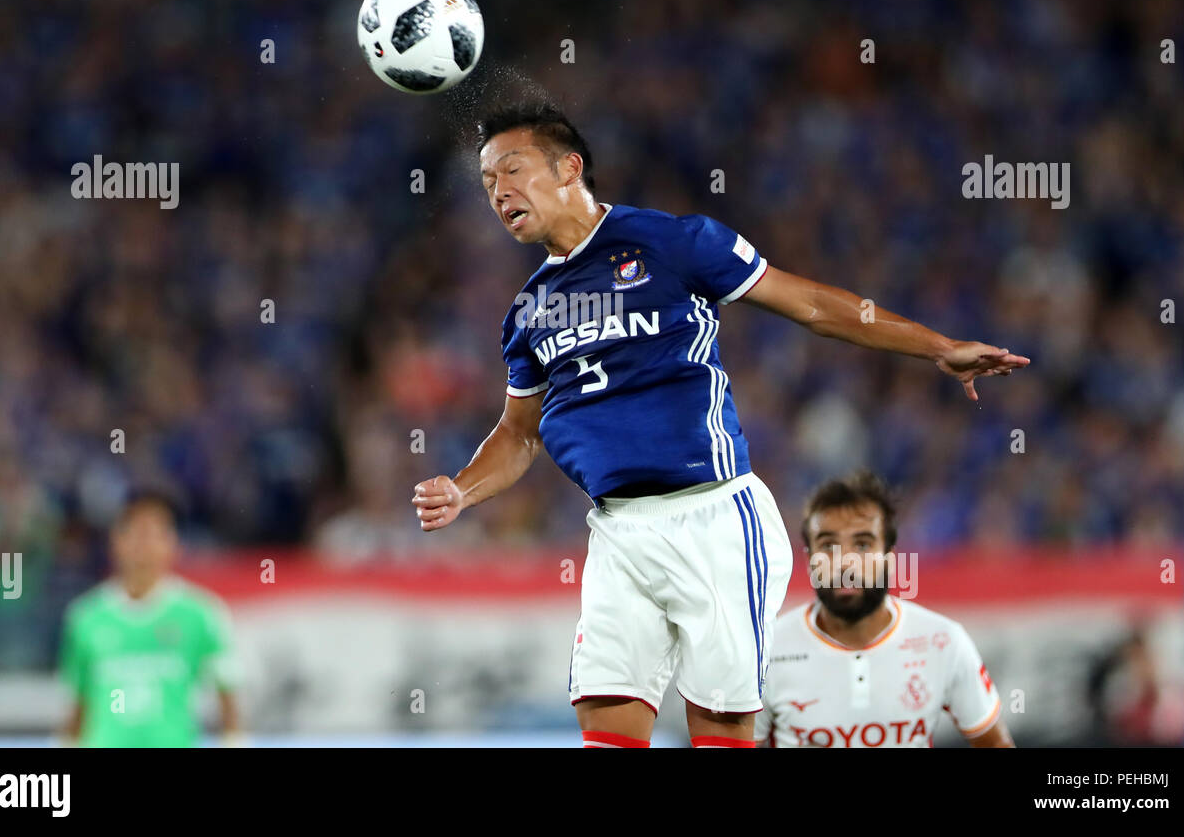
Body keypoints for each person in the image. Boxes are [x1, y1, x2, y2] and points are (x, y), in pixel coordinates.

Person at [412, 103, 1028, 748]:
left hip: (714, 519)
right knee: (606, 726)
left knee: (721, 733)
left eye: (512, 170)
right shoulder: (528, 311)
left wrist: (936, 347)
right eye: (487, 183)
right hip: (618, 531)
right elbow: (518, 433)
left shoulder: (674, 243)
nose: (499, 192)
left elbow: (812, 304)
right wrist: (462, 489)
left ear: (569, 168)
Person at [756, 470, 1014, 747]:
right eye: (828, 545)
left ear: (890, 559)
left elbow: (996, 743)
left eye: (863, 544)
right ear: (809, 561)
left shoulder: (942, 641)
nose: (845, 563)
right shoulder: (767, 651)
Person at [58, 491, 242, 747]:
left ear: (173, 543)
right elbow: (79, 705)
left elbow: (228, 699)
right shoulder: (86, 617)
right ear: (116, 541)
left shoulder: (201, 614)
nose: (144, 545)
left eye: (156, 533)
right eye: (135, 532)